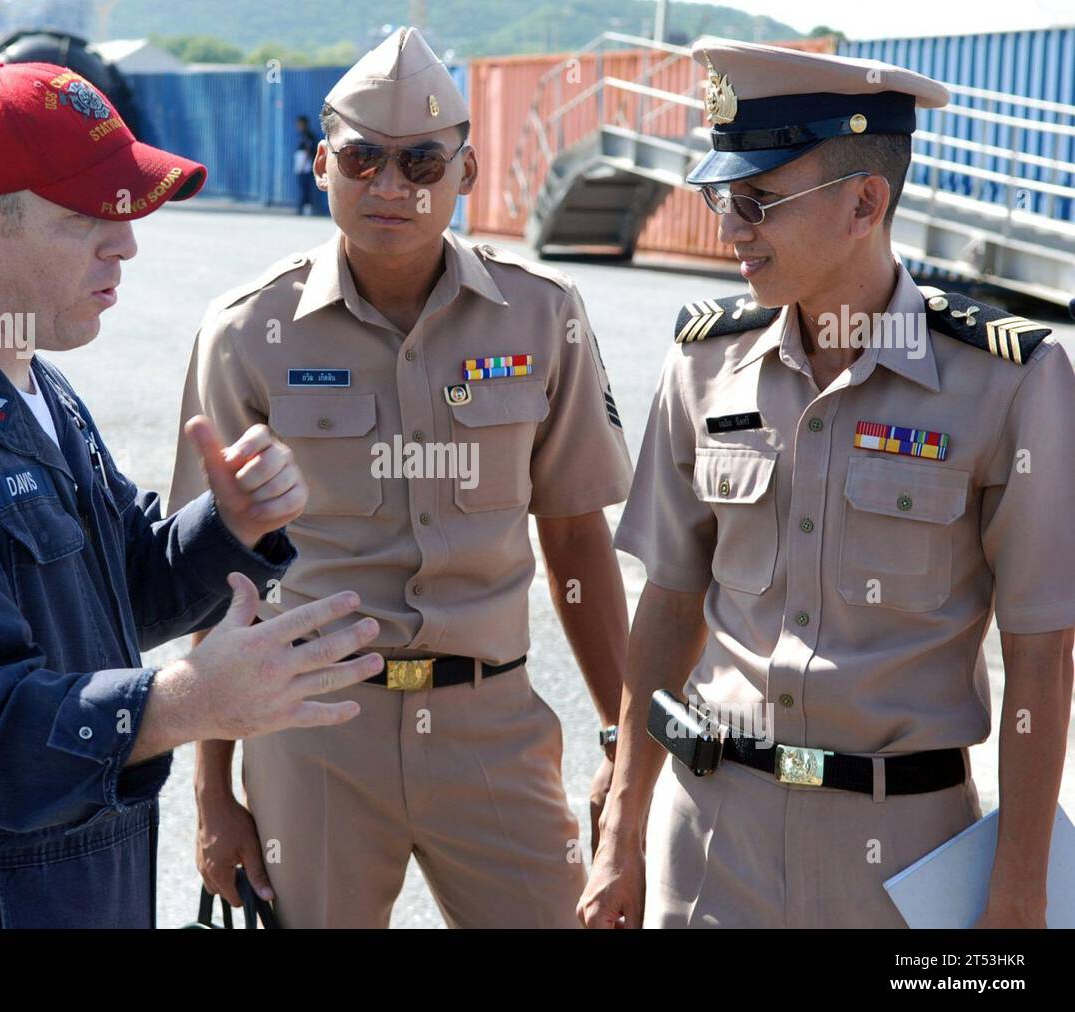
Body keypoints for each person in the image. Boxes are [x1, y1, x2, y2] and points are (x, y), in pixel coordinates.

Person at [0, 61, 383, 930]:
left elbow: (117, 592)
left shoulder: (32, 383)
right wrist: (189, 700)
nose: (127, 243)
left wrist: (233, 525)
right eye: (87, 219)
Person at [580, 38, 1075, 929]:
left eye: (758, 202)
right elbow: (669, 603)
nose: (730, 228)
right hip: (711, 841)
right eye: (722, 198)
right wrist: (623, 819)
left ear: (864, 202)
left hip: (906, 863)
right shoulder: (705, 362)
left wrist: (1018, 889)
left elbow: (1043, 652)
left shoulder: (1008, 381)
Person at [169, 27, 633, 928]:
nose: (391, 187)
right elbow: (215, 576)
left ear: (465, 173)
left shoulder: (542, 316)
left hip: (490, 724)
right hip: (311, 731)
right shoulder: (244, 332)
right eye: (363, 158)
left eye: (423, 162)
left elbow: (577, 536)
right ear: (321, 164)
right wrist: (212, 792)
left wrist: (622, 740)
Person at [294, 114, 319, 214]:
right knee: (303, 187)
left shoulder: (308, 135)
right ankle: (303, 207)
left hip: (306, 167)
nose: (298, 126)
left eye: (300, 124)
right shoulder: (301, 135)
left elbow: (308, 151)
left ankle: (305, 208)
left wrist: (303, 165)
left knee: (306, 188)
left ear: (305, 124)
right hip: (302, 166)